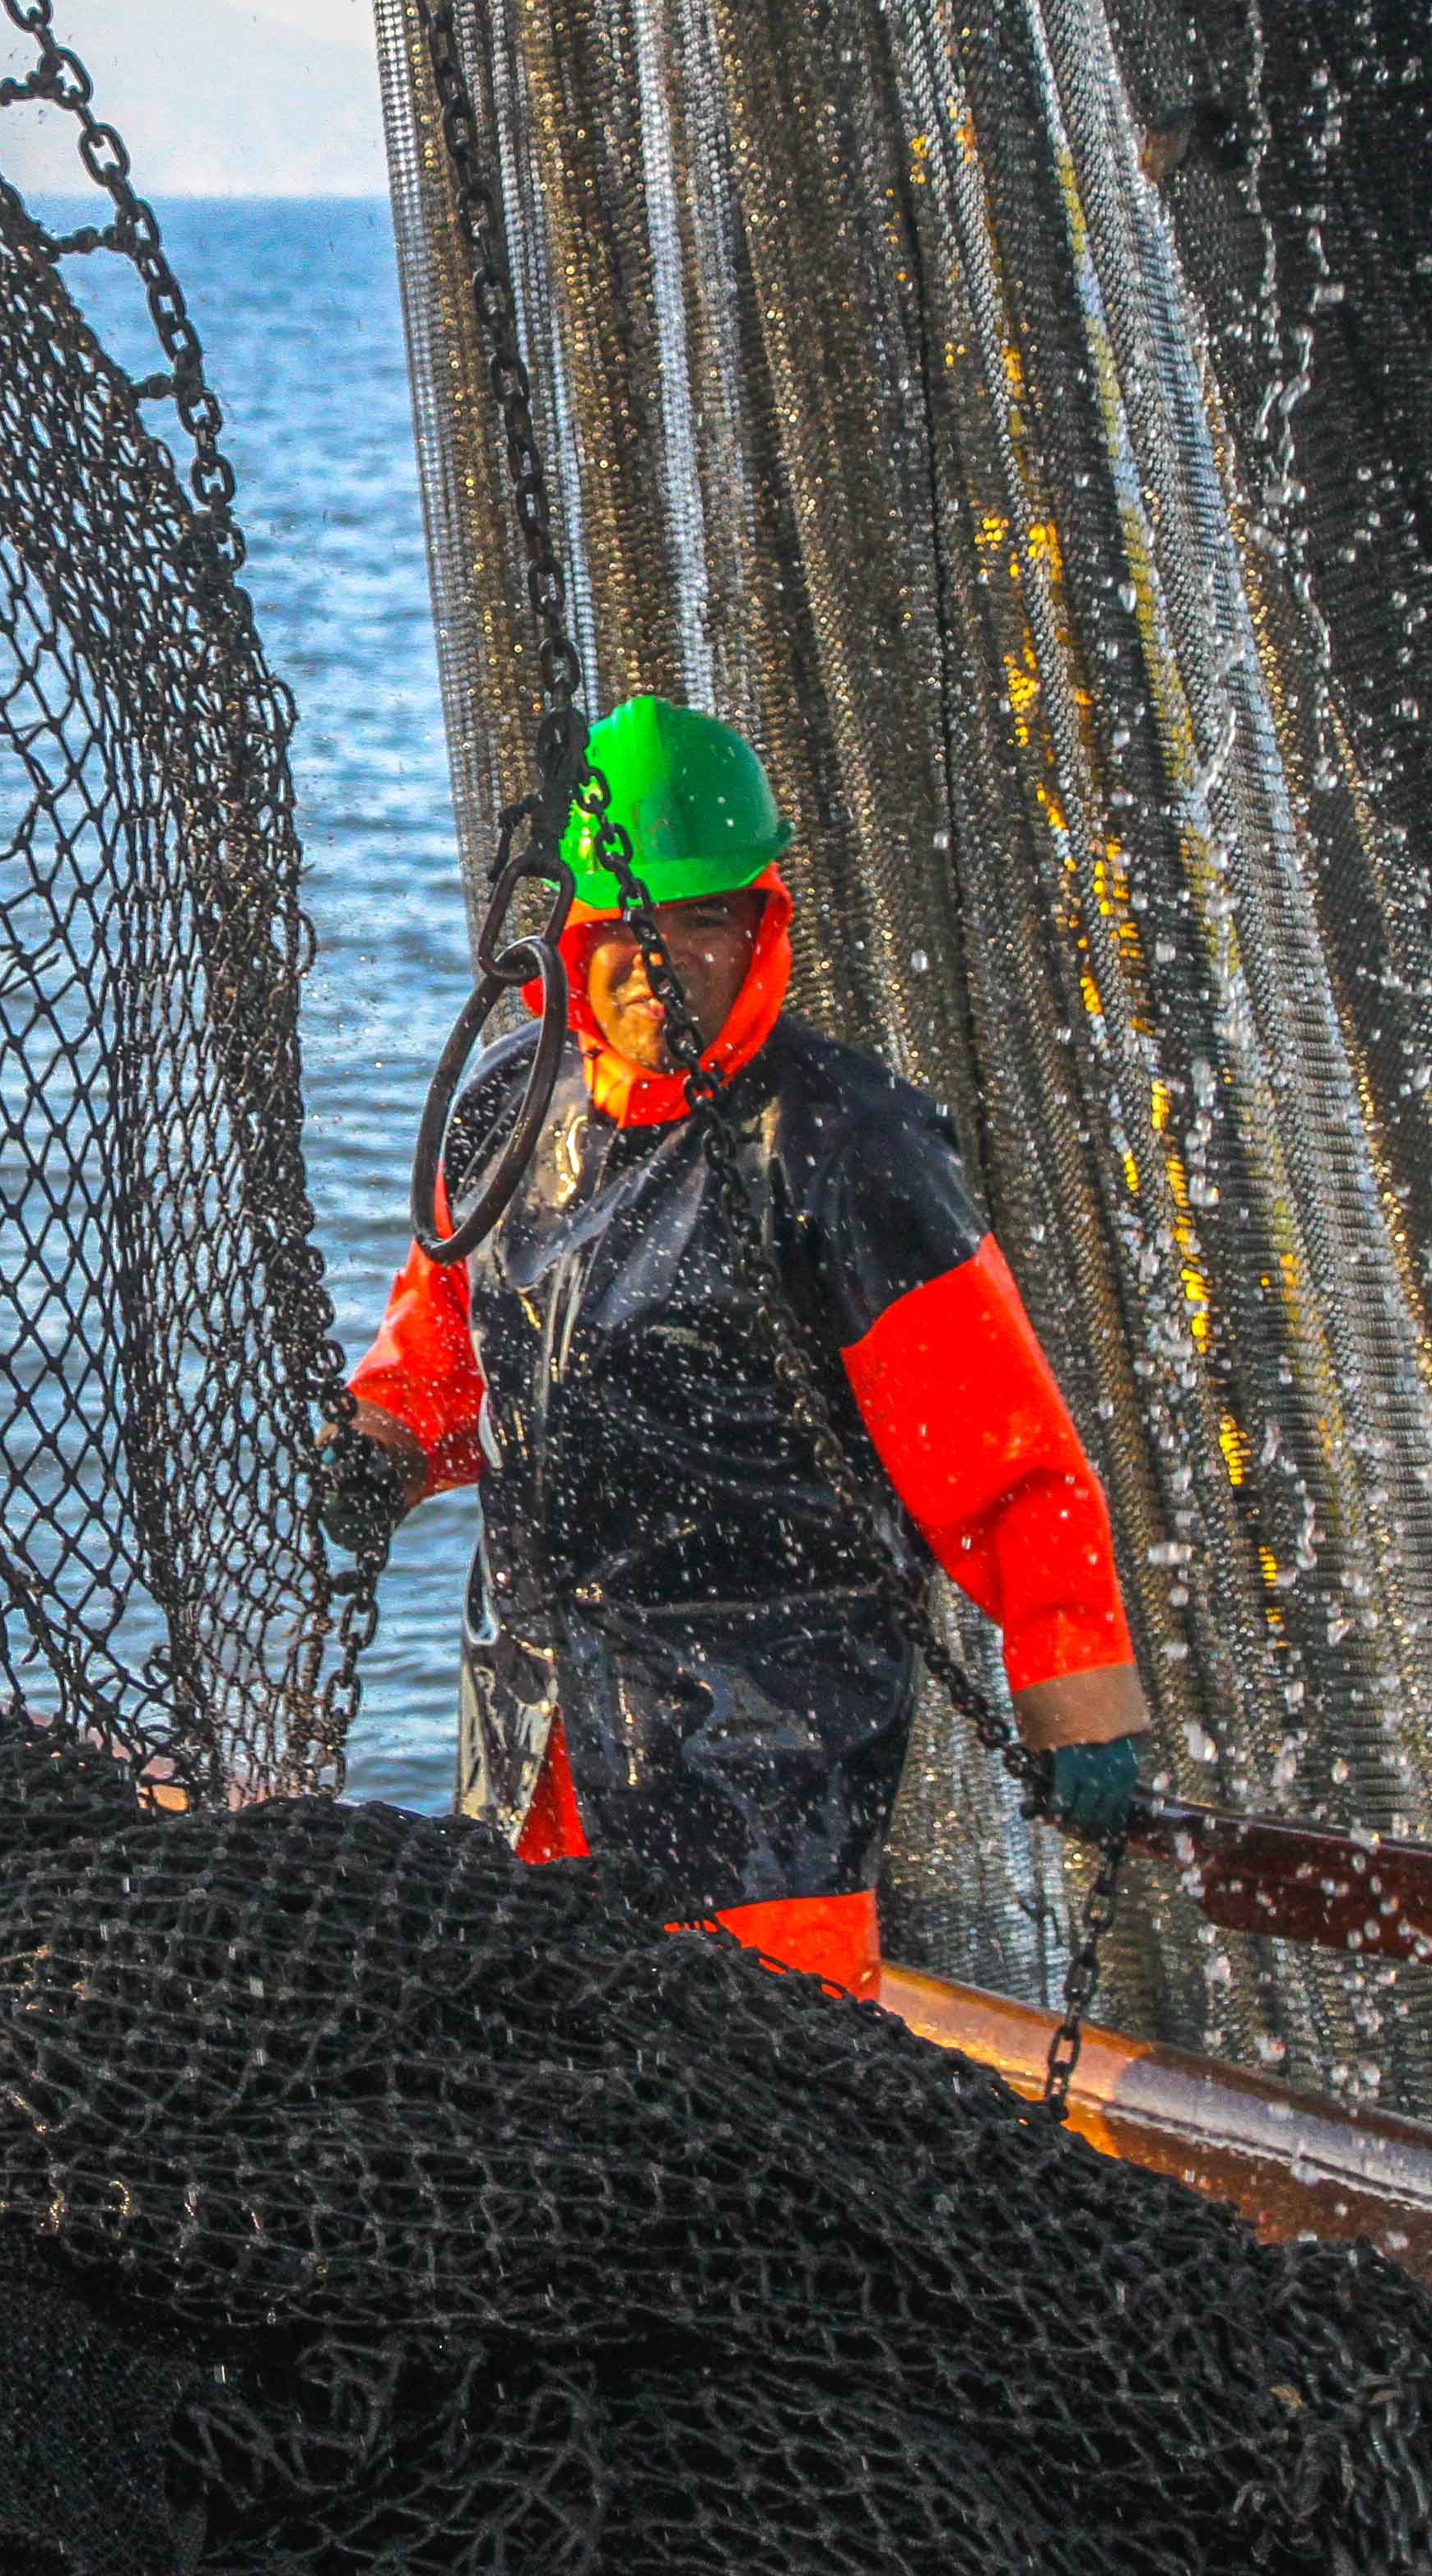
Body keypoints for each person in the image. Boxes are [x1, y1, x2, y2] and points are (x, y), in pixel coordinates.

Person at [324, 695, 1146, 2001]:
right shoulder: (505, 1111)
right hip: (543, 1745)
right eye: (635, 930)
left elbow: (1008, 1461)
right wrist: (381, 1447)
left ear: (761, 925)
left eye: (707, 921)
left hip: (768, 1773)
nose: (669, 960)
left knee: (765, 2131)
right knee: (545, 2099)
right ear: (576, 938)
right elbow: (444, 1350)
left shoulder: (850, 1147)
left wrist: (1078, 1700)